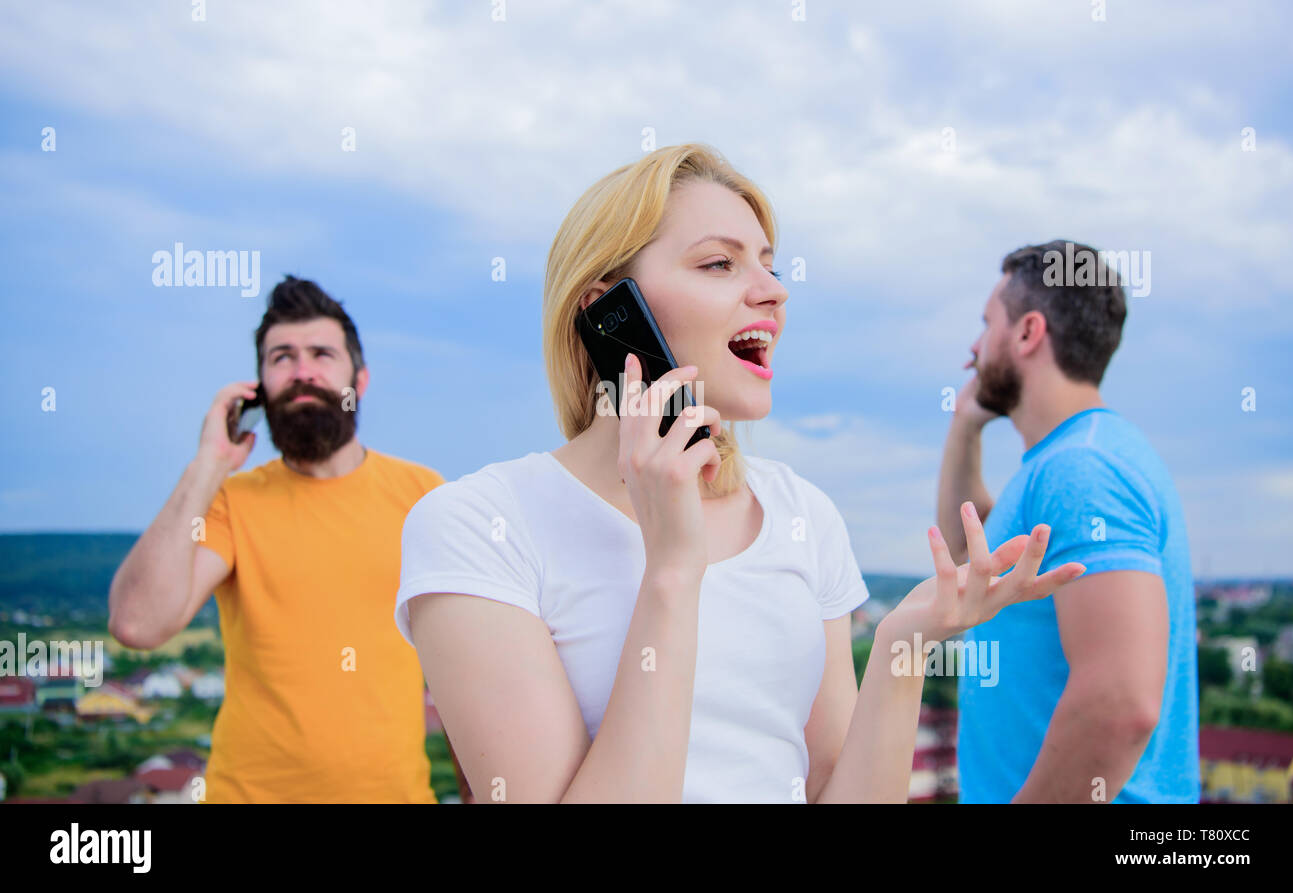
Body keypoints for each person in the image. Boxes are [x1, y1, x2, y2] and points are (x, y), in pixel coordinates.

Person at [395, 144, 1084, 803]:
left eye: (769, 266)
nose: (774, 294)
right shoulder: (478, 527)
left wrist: (905, 647)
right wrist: (672, 567)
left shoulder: (802, 514)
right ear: (607, 312)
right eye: (719, 264)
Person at [109, 276, 469, 803]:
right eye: (282, 358)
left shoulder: (424, 495)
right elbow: (138, 622)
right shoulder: (230, 501)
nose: (302, 371)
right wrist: (208, 465)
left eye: (321, 354)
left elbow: (461, 670)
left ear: (360, 380)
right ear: (258, 387)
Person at [938, 240, 1199, 803]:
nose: (975, 347)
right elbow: (969, 556)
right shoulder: (1070, 459)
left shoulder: (1082, 469)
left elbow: (1121, 704)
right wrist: (965, 424)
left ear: (1029, 332)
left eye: (988, 325)